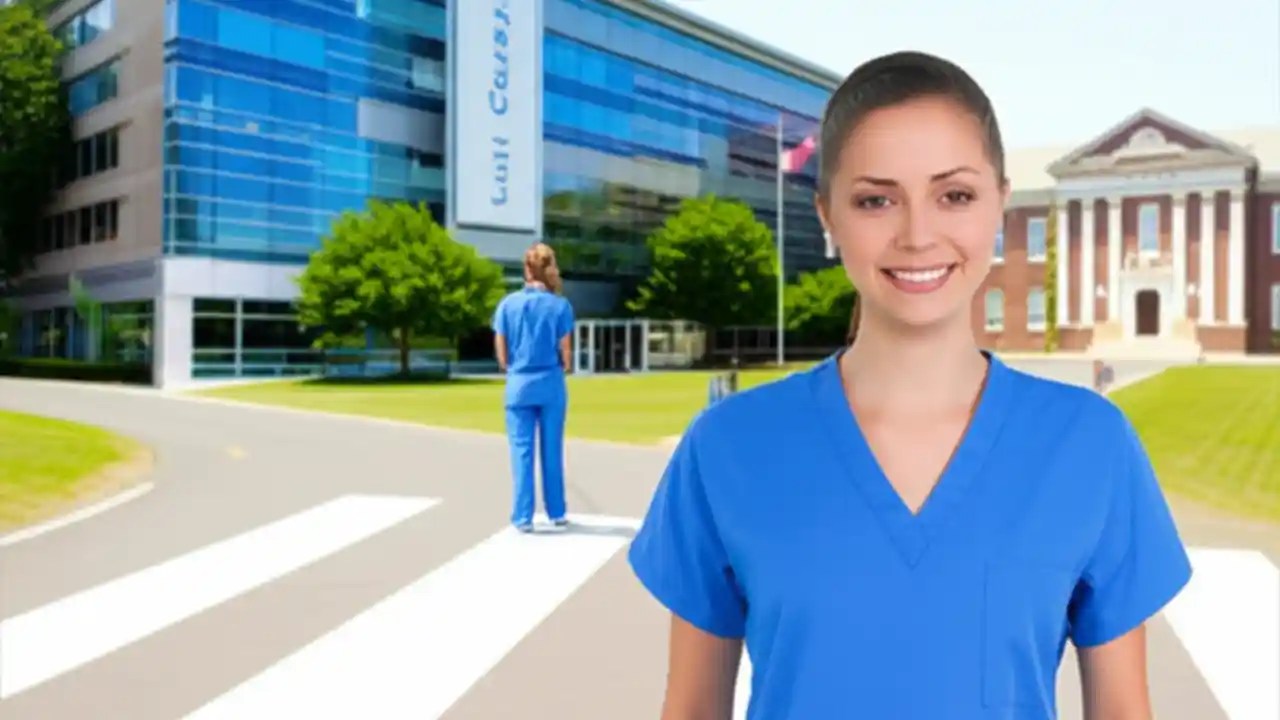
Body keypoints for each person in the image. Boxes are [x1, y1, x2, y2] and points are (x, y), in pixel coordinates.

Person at [628, 51, 1192, 719]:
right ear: (828, 217)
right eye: (876, 199)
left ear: (999, 208)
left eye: (954, 195)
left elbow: (1124, 712)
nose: (918, 235)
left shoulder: (1090, 446)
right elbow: (691, 709)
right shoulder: (727, 448)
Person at [492, 243, 576, 533]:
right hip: (550, 382)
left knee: (521, 451)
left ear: (526, 269)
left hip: (518, 383)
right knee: (552, 449)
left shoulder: (507, 304)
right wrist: (563, 364)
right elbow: (566, 352)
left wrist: (512, 366)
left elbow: (501, 353)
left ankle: (522, 516)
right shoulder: (560, 305)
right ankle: (557, 511)